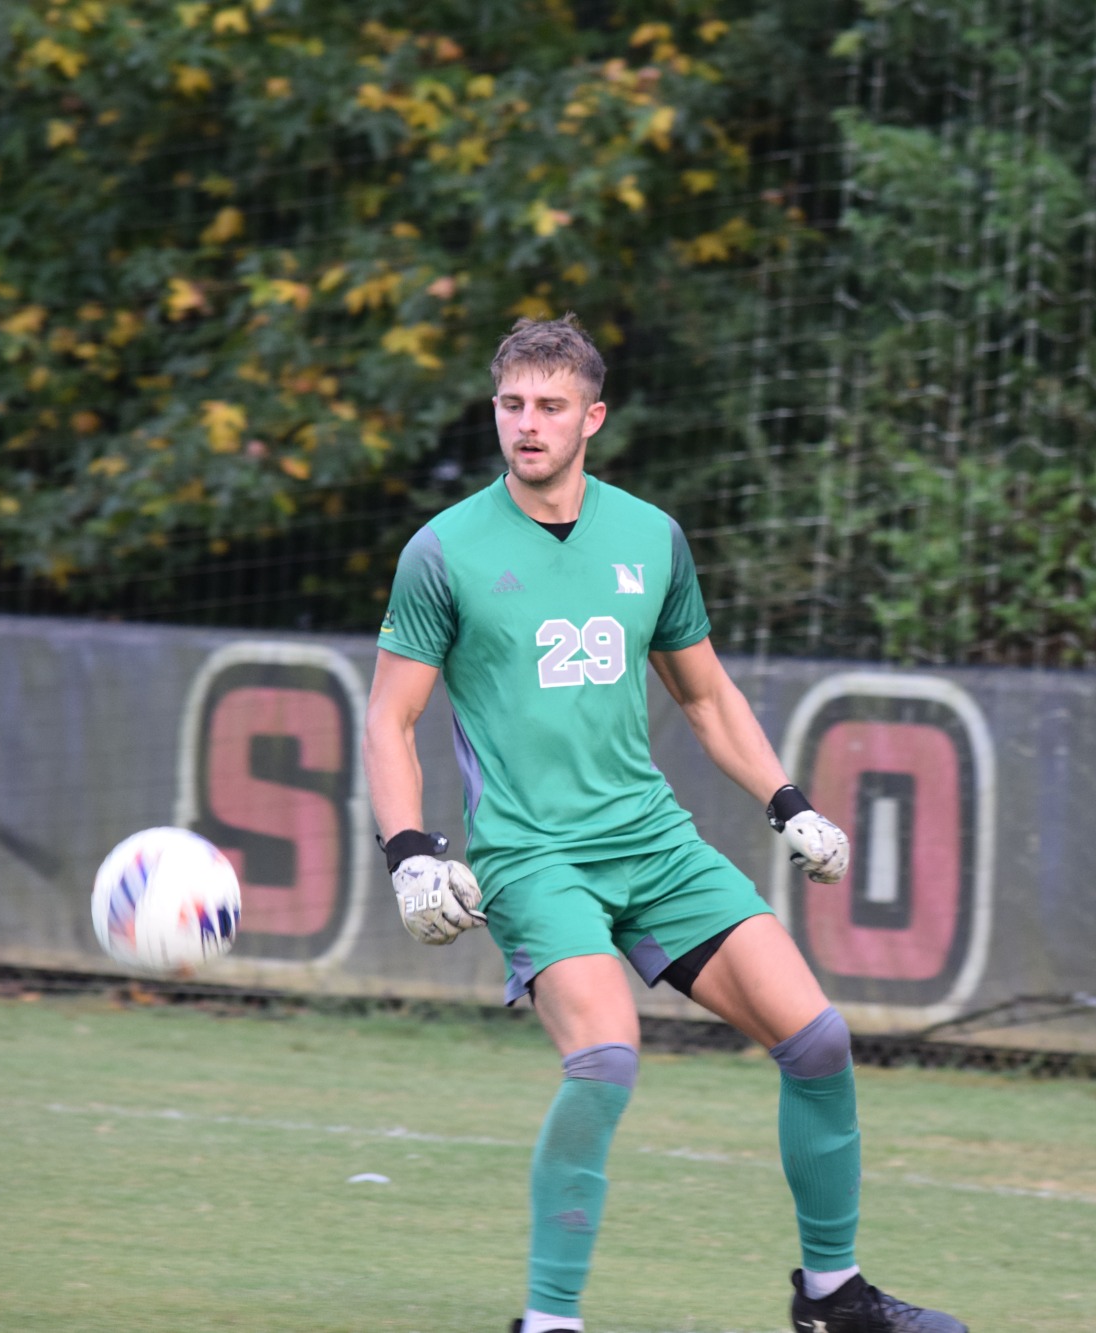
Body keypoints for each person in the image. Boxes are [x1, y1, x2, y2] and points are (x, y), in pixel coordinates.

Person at [362, 315, 967, 1333]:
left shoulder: (649, 536)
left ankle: (833, 1300)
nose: (527, 425)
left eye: (550, 406)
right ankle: (547, 1320)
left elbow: (705, 697)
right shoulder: (443, 552)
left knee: (816, 1039)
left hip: (649, 841)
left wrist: (788, 801)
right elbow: (391, 717)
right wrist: (410, 855)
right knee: (604, 1056)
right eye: (511, 405)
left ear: (591, 417)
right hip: (531, 854)